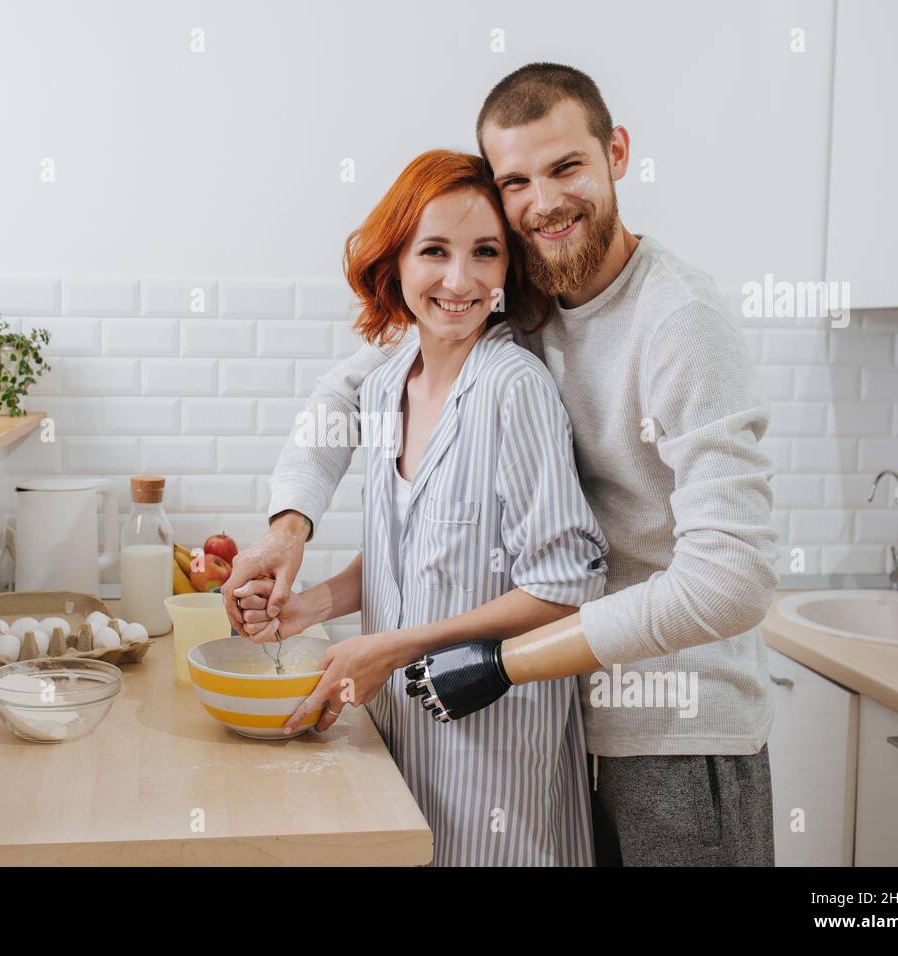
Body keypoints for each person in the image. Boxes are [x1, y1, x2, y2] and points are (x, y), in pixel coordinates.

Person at [224, 63, 780, 867]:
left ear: (616, 153)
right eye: (516, 180)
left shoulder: (678, 323)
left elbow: (733, 581)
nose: (544, 201)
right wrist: (289, 528)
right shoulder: (523, 300)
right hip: (564, 715)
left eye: (566, 167)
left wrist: (499, 663)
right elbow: (350, 391)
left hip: (676, 725)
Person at [234, 148, 607, 866]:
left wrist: (393, 646)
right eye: (434, 251)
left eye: (486, 254)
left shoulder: (513, 389)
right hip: (400, 743)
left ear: (509, 269)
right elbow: (415, 549)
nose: (460, 280)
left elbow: (564, 589)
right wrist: (308, 606)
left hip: (498, 761)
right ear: (395, 261)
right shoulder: (382, 391)